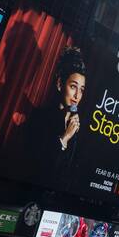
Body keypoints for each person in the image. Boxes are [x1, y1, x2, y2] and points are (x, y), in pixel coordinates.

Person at [23, 46, 88, 184]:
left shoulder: (77, 126)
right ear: (59, 84)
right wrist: (64, 138)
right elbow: (37, 168)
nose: (77, 96)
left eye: (81, 90)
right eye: (73, 86)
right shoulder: (40, 117)